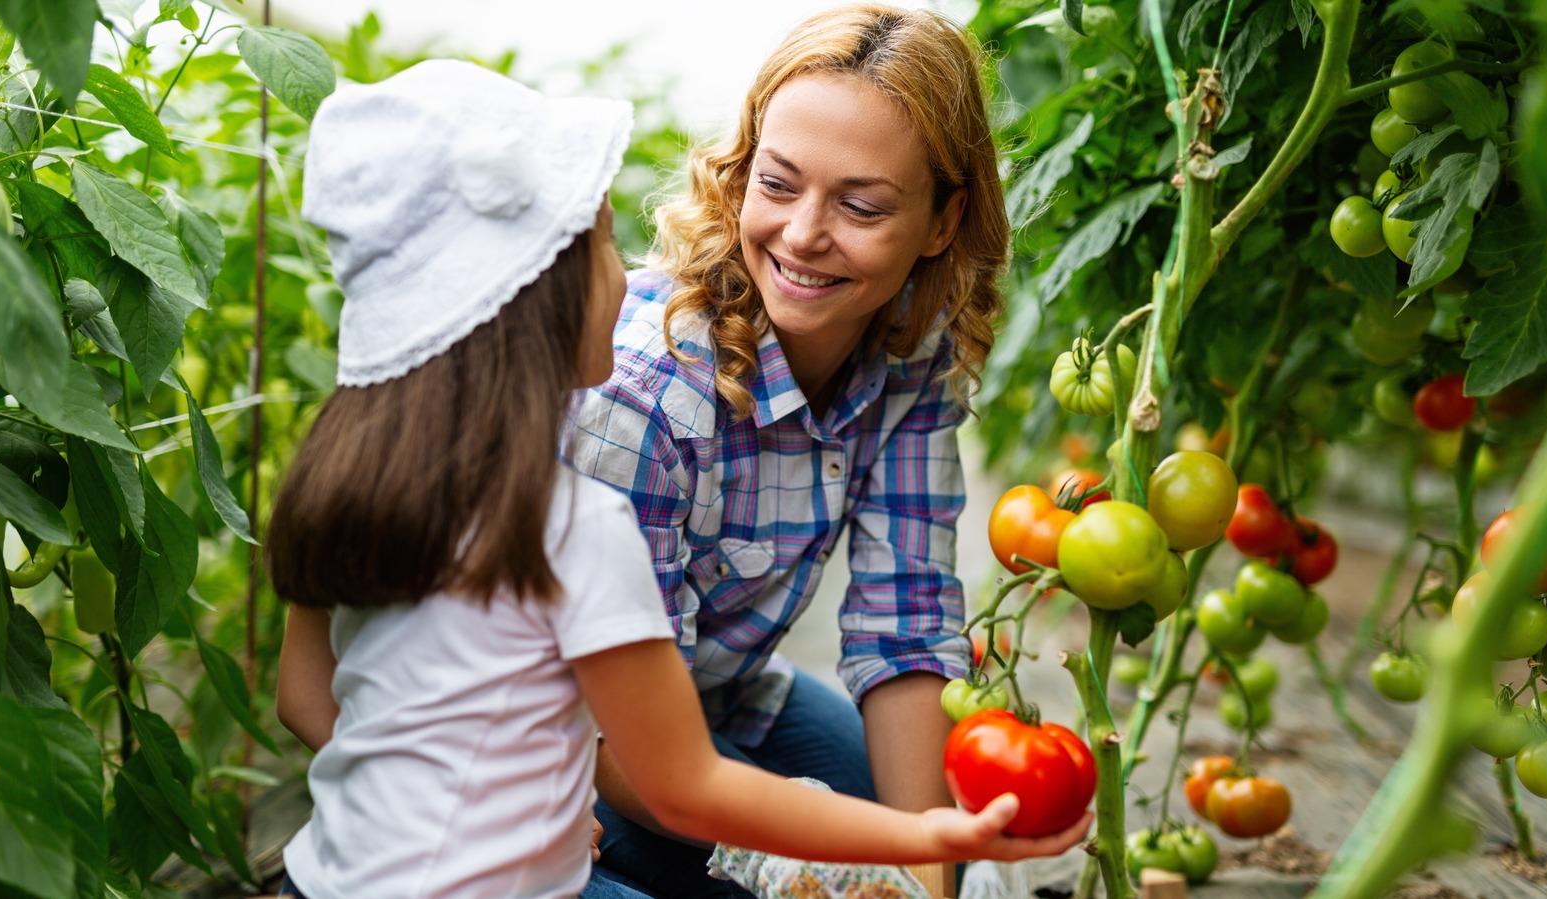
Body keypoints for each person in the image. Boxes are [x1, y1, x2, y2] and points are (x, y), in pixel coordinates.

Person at [269, 59, 1088, 899]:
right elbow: (682, 782)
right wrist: (914, 837)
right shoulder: (592, 506)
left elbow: (305, 693)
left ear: (942, 221)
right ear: (541, 297)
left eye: (862, 205)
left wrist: (451, 797)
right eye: (601, 244)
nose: (634, 276)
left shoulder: (349, 464)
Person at [567, 4, 1014, 897]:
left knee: (939, 843)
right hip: (577, 736)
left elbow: (906, 624)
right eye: (777, 184)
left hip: (721, 691)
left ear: (943, 220)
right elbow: (621, 729)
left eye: (861, 205)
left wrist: (923, 876)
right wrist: (805, 859)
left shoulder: (911, 358)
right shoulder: (648, 394)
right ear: (741, 173)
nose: (804, 234)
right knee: (807, 873)